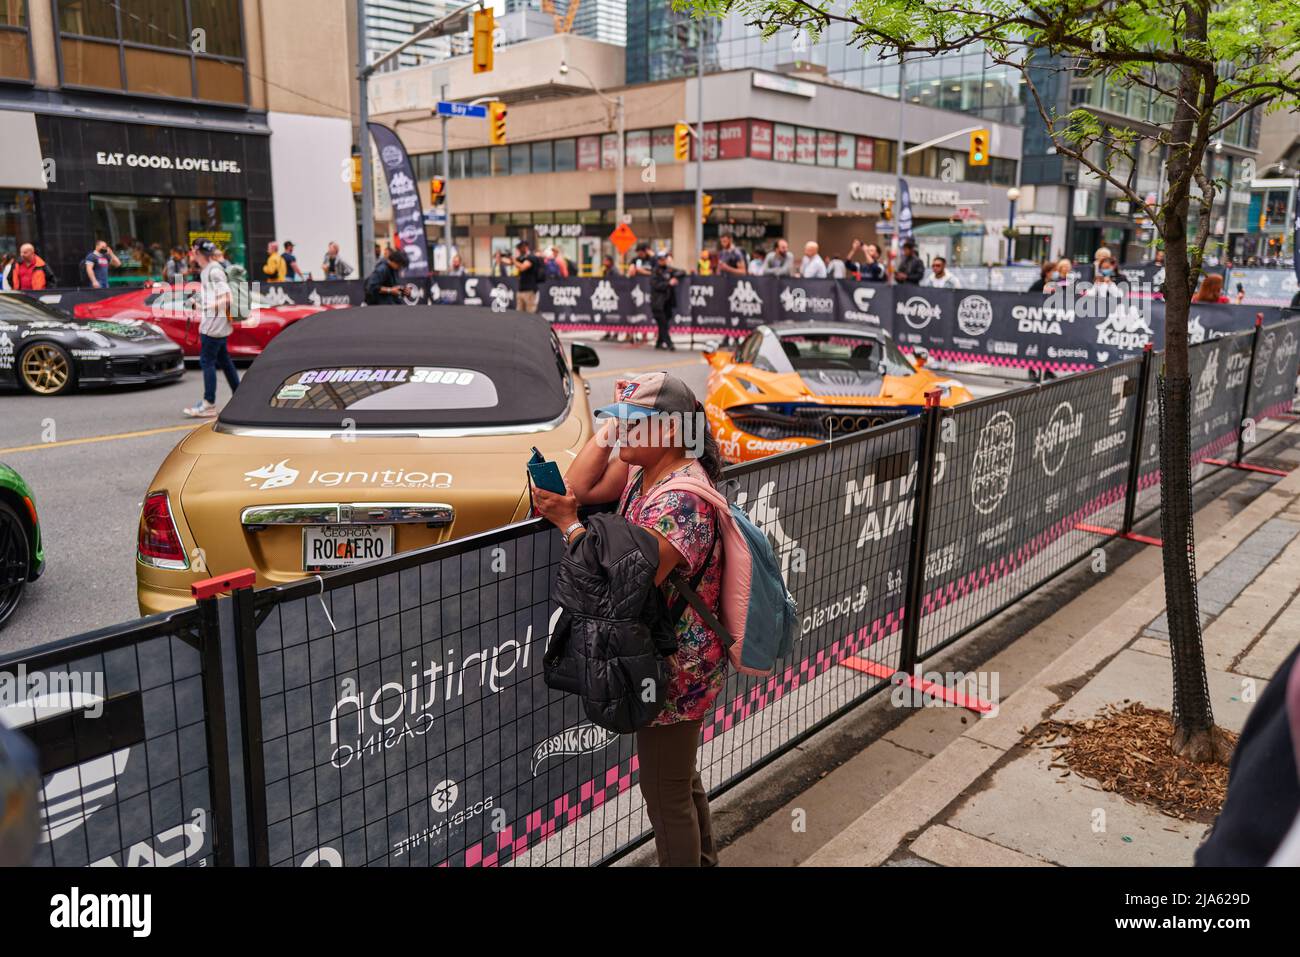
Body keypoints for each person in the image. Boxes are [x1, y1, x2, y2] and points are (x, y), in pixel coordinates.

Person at [531, 372, 727, 867]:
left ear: (667, 431)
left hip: (674, 669)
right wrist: (611, 429)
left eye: (631, 423)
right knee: (678, 782)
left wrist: (570, 526)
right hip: (666, 657)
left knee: (665, 797)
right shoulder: (649, 474)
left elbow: (621, 590)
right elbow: (574, 488)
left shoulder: (679, 502)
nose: (621, 432)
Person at [182, 240, 239, 419]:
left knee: (207, 362)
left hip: (214, 326)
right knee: (225, 361)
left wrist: (204, 308)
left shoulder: (214, 271)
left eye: (192, 250)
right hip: (217, 323)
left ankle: (209, 404)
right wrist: (199, 303)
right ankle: (240, 397)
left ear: (198, 252)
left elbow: (227, 298)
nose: (191, 253)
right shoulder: (208, 270)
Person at [651, 251, 684, 351]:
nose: (663, 261)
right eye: (661, 259)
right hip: (658, 302)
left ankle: (659, 342)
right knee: (663, 323)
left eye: (664, 259)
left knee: (665, 322)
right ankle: (669, 343)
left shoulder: (669, 270)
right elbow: (656, 285)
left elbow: (682, 272)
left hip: (667, 302)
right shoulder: (655, 271)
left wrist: (674, 276)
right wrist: (669, 283)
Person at [513, 240, 544, 313]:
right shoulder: (522, 258)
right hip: (521, 290)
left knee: (530, 313)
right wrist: (501, 258)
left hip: (529, 290)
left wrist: (513, 260)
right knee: (519, 314)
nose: (519, 250)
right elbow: (510, 262)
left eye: (520, 248)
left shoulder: (531, 257)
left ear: (525, 247)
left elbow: (522, 267)